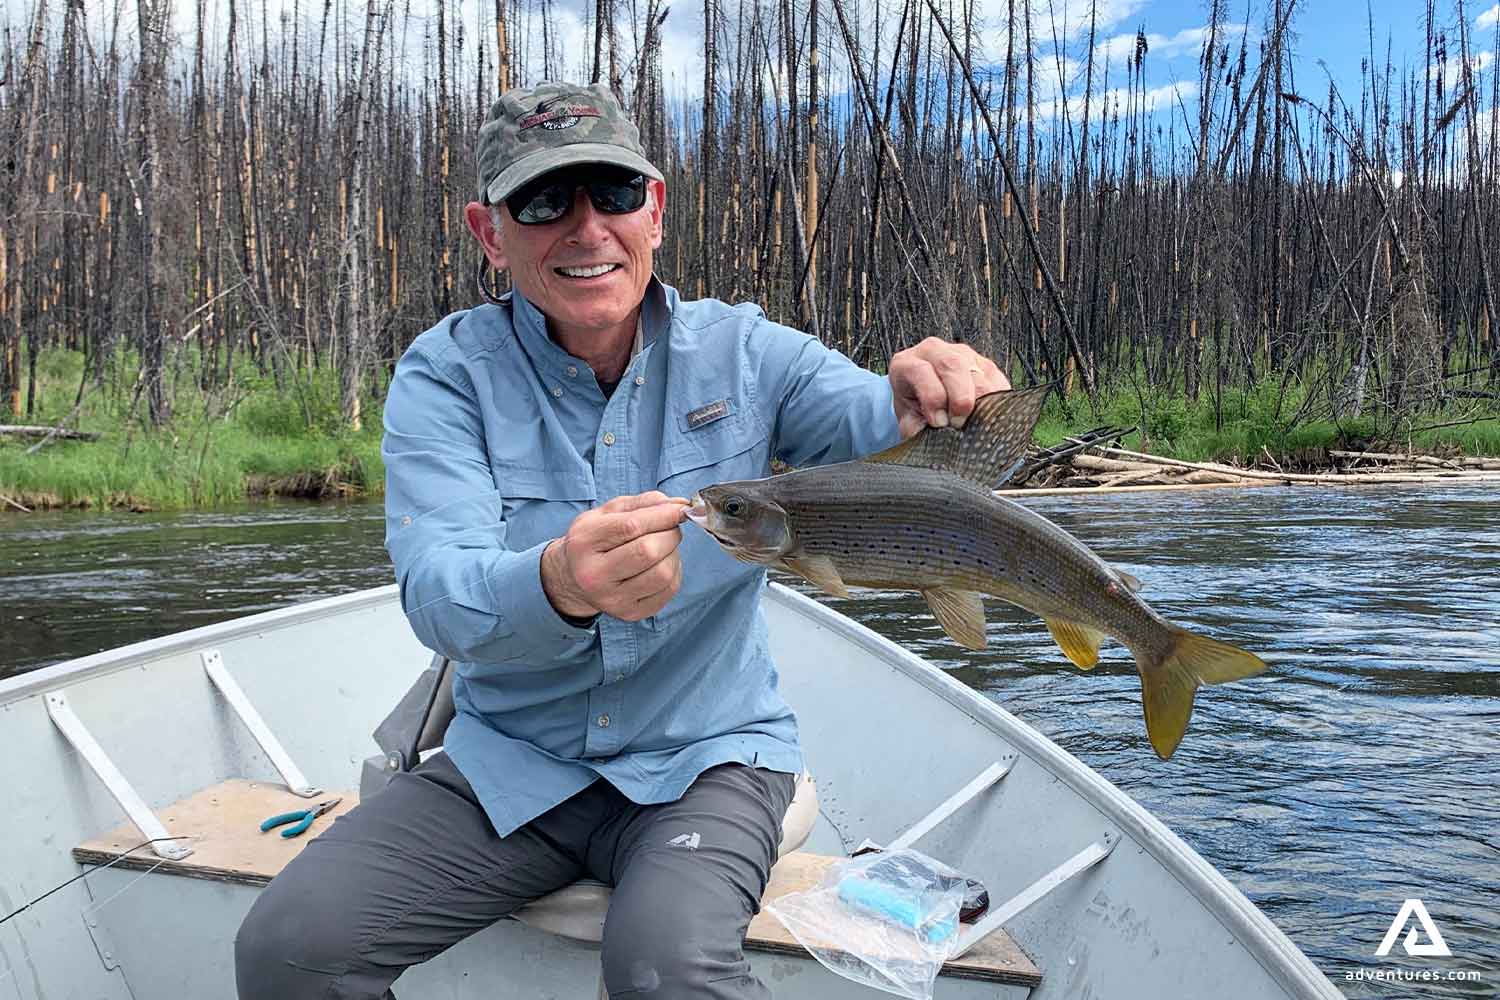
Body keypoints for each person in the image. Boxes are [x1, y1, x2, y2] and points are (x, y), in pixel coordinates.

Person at [233, 81, 1010, 1000]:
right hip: (512, 759)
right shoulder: (446, 376)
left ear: (656, 209)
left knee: (666, 970)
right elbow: (438, 592)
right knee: (287, 949)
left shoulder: (749, 353)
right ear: (492, 232)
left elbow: (863, 417)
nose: (586, 227)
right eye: (545, 201)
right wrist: (559, 583)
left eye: (613, 193)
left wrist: (924, 389)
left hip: (712, 758)